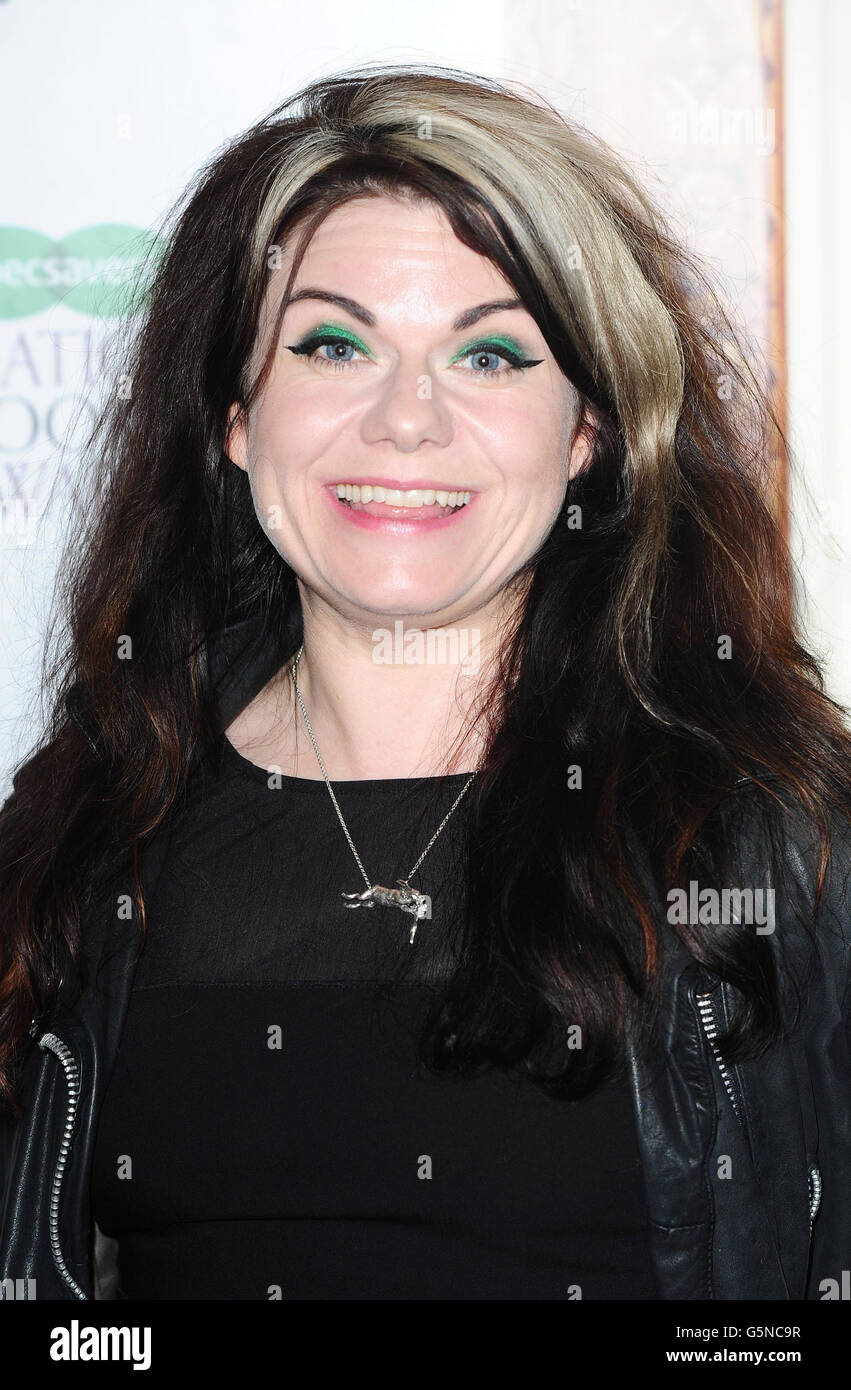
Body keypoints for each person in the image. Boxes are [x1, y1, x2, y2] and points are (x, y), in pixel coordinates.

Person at [1, 62, 850, 1302]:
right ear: (236, 416)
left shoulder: (768, 840)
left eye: (491, 356)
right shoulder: (81, 840)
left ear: (588, 431)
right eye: (334, 344)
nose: (406, 421)